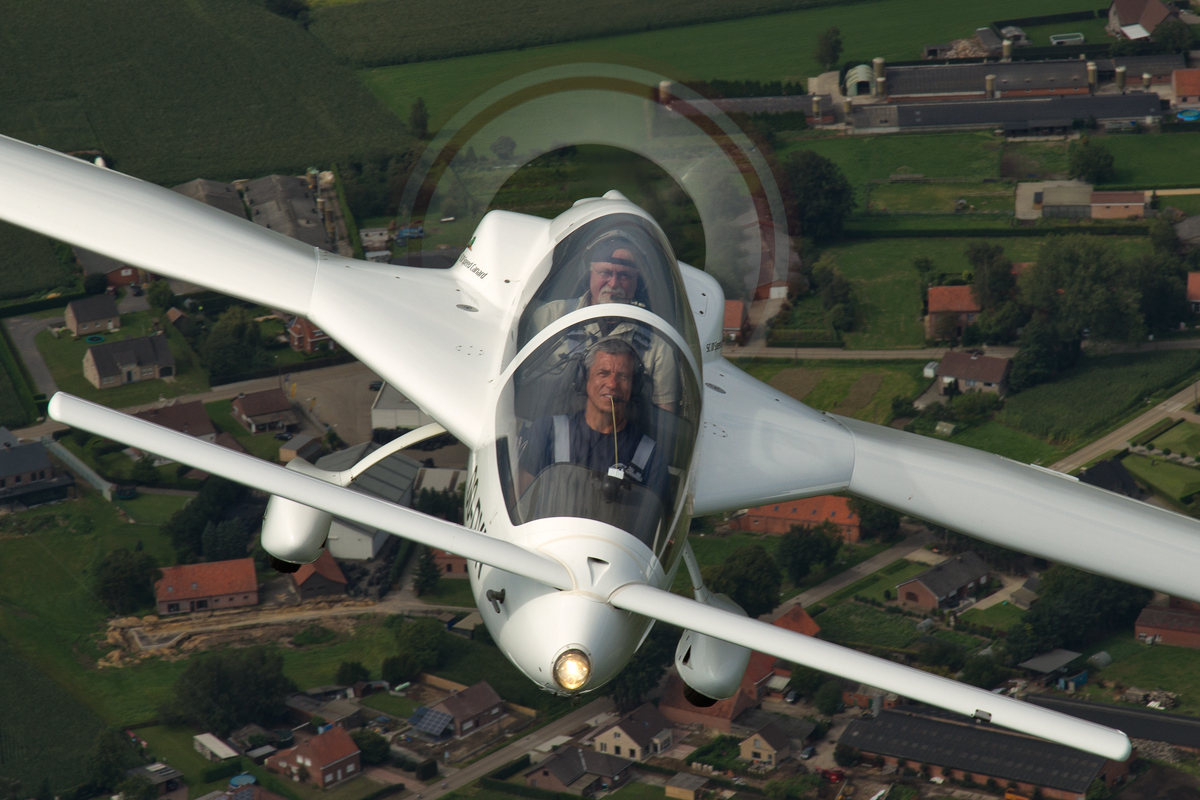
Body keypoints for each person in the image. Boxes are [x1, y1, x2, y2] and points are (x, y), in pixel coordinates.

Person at [528, 232, 679, 411]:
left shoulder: (658, 345)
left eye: (624, 275)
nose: (614, 283)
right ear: (589, 274)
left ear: (637, 282)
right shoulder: (549, 318)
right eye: (605, 272)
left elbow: (665, 416)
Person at [518, 338, 668, 506]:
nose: (612, 384)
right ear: (584, 379)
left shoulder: (650, 456)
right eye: (603, 373)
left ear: (634, 387)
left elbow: (659, 522)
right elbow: (518, 502)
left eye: (623, 376)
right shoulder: (546, 432)